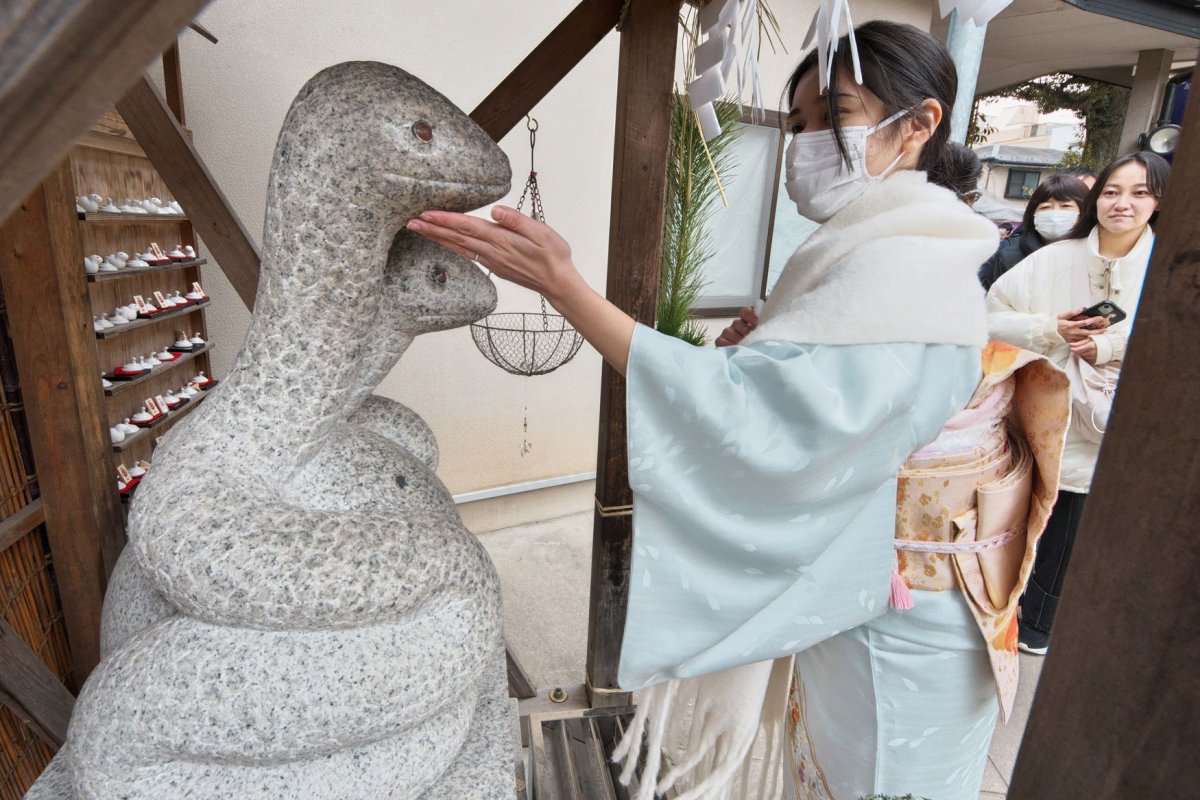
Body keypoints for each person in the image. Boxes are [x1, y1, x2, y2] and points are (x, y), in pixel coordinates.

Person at [409, 20, 1061, 800]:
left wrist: (567, 289)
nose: (808, 142)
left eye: (835, 116)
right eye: (799, 123)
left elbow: (753, 416)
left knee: (876, 779)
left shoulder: (908, 263)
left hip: (912, 606)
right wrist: (771, 347)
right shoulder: (882, 247)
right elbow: (800, 391)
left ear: (918, 124)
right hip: (867, 585)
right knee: (828, 770)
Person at [986, 151, 1169, 655]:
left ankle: (1038, 625)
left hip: (1110, 424)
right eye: (1112, 191)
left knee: (1068, 530)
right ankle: (996, 612)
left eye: (1139, 193)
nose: (1122, 203)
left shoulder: (1172, 267)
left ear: (1159, 202)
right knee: (1009, 522)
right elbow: (989, 315)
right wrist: (1050, 328)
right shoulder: (1053, 258)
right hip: (1034, 414)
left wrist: (1108, 347)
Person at [978, 173, 1090, 290]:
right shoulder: (1007, 258)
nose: (1054, 214)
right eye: (1045, 207)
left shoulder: (1095, 259)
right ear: (1033, 214)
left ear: (1084, 212)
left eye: (1065, 206)